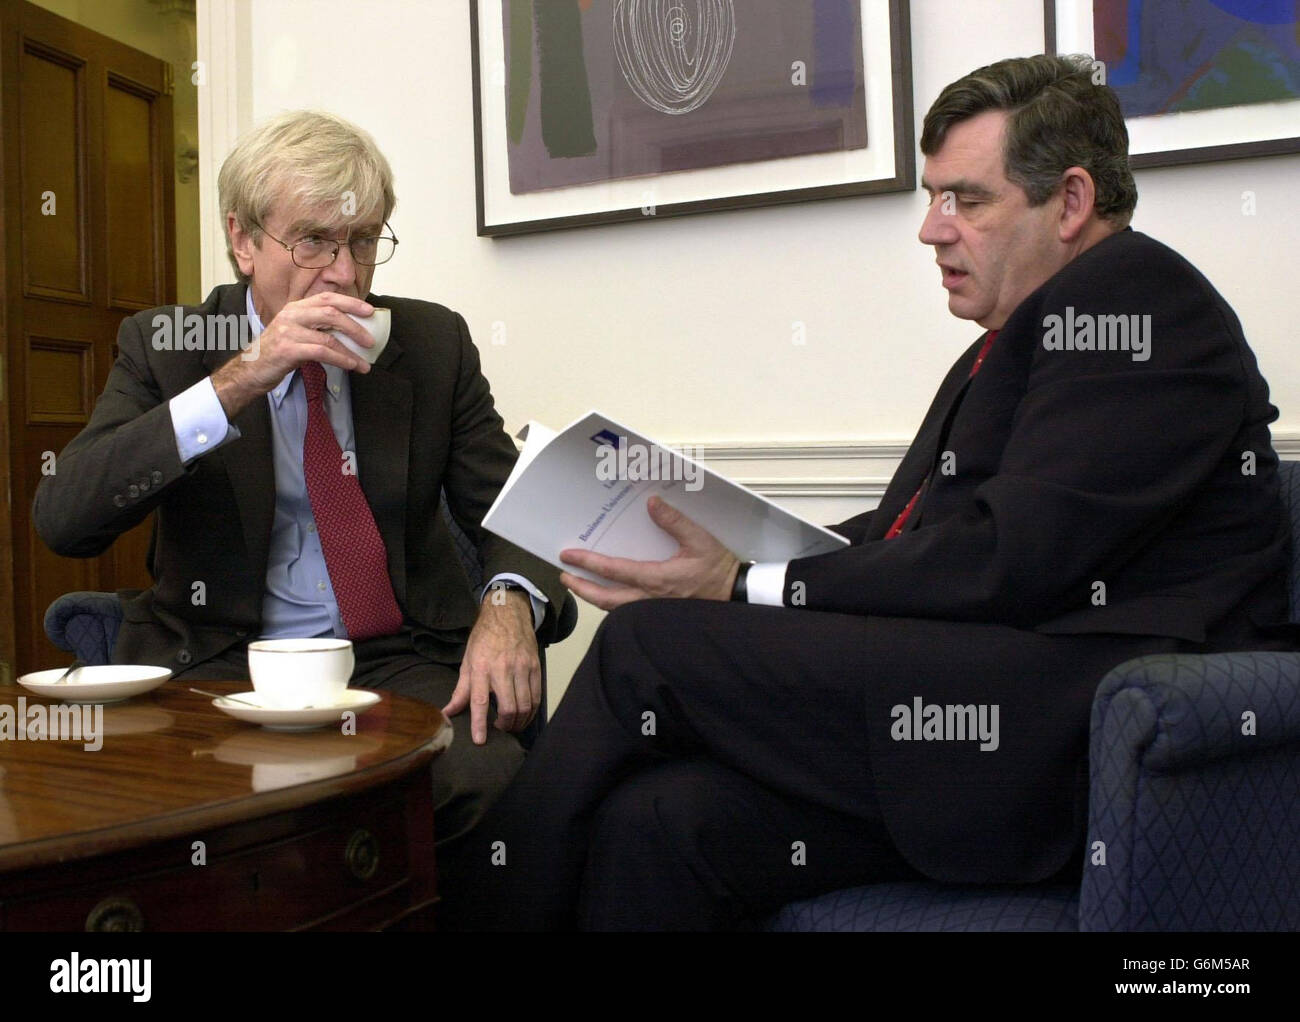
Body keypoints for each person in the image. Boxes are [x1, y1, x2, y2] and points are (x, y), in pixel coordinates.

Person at [439, 54, 1294, 930]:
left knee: (646, 647)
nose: (932, 229)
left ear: (1071, 202)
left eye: (966, 199)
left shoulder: (1141, 307)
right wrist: (741, 541)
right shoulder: (1009, 336)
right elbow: (906, 535)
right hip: (965, 718)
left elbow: (1010, 557)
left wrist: (742, 586)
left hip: (1059, 738)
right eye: (932, 196)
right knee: (661, 822)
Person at [32, 110, 568, 881]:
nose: (345, 275)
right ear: (243, 240)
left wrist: (509, 603)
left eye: (362, 241)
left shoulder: (431, 344)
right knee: (186, 828)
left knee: (485, 778)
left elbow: (513, 502)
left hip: (393, 661)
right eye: (314, 240)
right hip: (219, 665)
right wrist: (240, 379)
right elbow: (65, 517)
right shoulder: (167, 345)